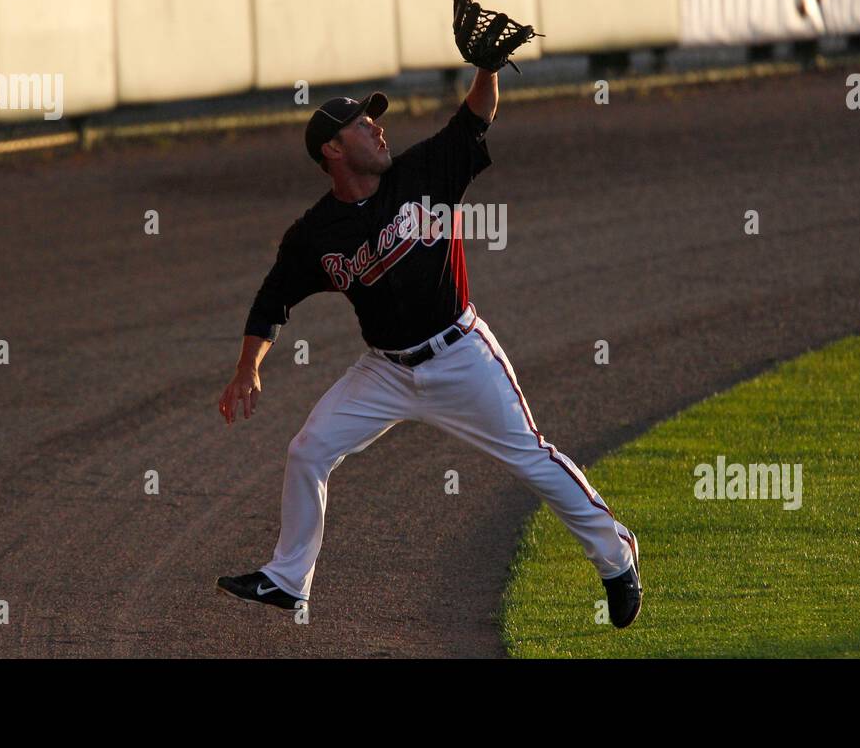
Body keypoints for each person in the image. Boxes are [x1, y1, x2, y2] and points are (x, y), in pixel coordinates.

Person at [217, 69, 642, 628]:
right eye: (363, 126)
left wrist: (487, 70)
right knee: (308, 450)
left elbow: (476, 117)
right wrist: (249, 367)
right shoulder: (315, 234)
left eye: (376, 121)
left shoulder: (424, 170)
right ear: (333, 149)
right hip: (385, 372)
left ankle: (616, 558)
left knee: (532, 459)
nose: (378, 131)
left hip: (462, 355)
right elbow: (272, 301)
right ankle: (288, 580)